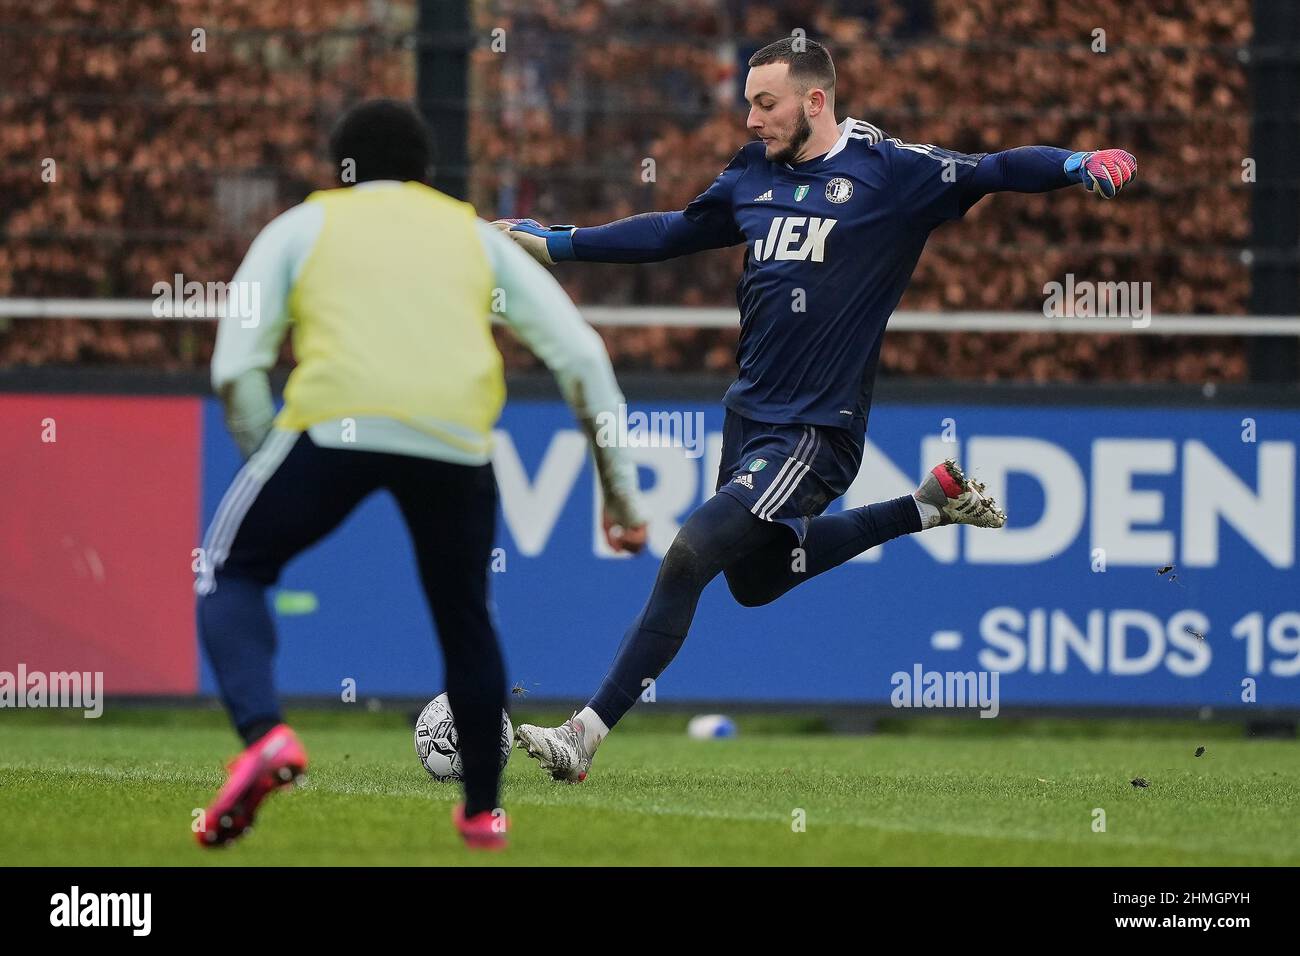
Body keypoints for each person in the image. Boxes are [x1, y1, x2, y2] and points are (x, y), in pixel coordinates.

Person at [499, 37, 1136, 782]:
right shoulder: (752, 175)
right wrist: (560, 246)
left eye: (763, 104)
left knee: (690, 555)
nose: (749, 119)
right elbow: (673, 232)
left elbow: (992, 169)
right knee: (757, 580)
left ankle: (583, 735)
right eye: (746, 103)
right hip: (749, 418)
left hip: (815, 430)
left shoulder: (892, 173)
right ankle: (926, 508)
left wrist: (1073, 164)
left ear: (815, 101)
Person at [195, 99, 645, 848]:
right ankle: (481, 809)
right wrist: (621, 495)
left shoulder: (303, 226)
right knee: (465, 618)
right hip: (453, 438)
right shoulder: (469, 234)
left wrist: (261, 455)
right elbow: (583, 357)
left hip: (331, 425)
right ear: (426, 172)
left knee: (231, 573)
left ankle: (264, 736)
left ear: (339, 169)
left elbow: (235, 366)